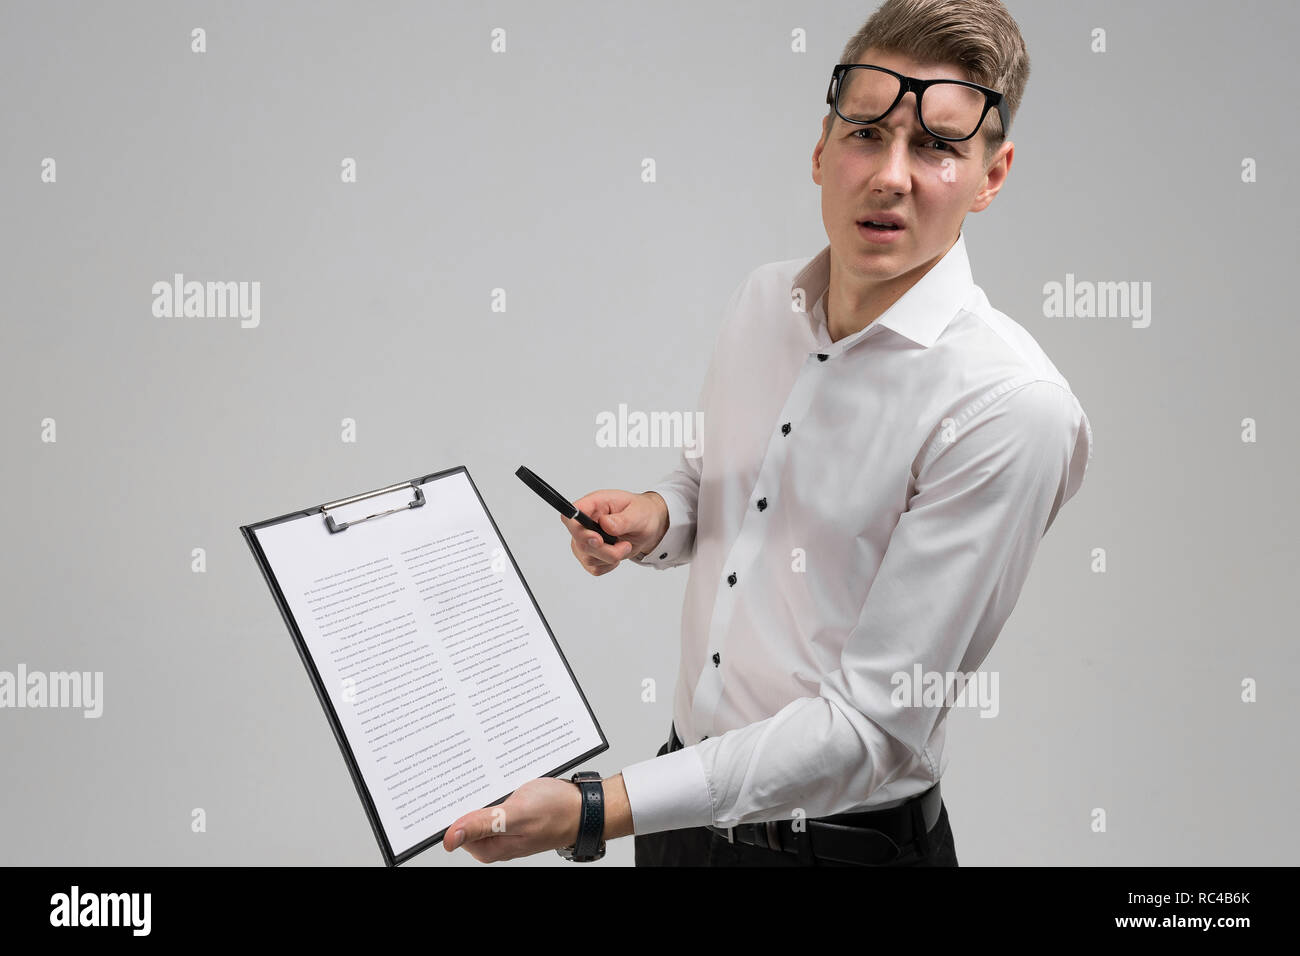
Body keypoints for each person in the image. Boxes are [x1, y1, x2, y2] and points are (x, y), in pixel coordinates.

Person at [442, 0, 1092, 867]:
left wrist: (598, 809)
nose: (891, 174)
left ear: (992, 174)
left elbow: (867, 729)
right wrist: (657, 518)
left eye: (937, 145)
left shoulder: (1009, 407)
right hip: (676, 823)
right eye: (867, 131)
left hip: (836, 852)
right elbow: (716, 486)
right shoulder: (763, 302)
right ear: (821, 148)